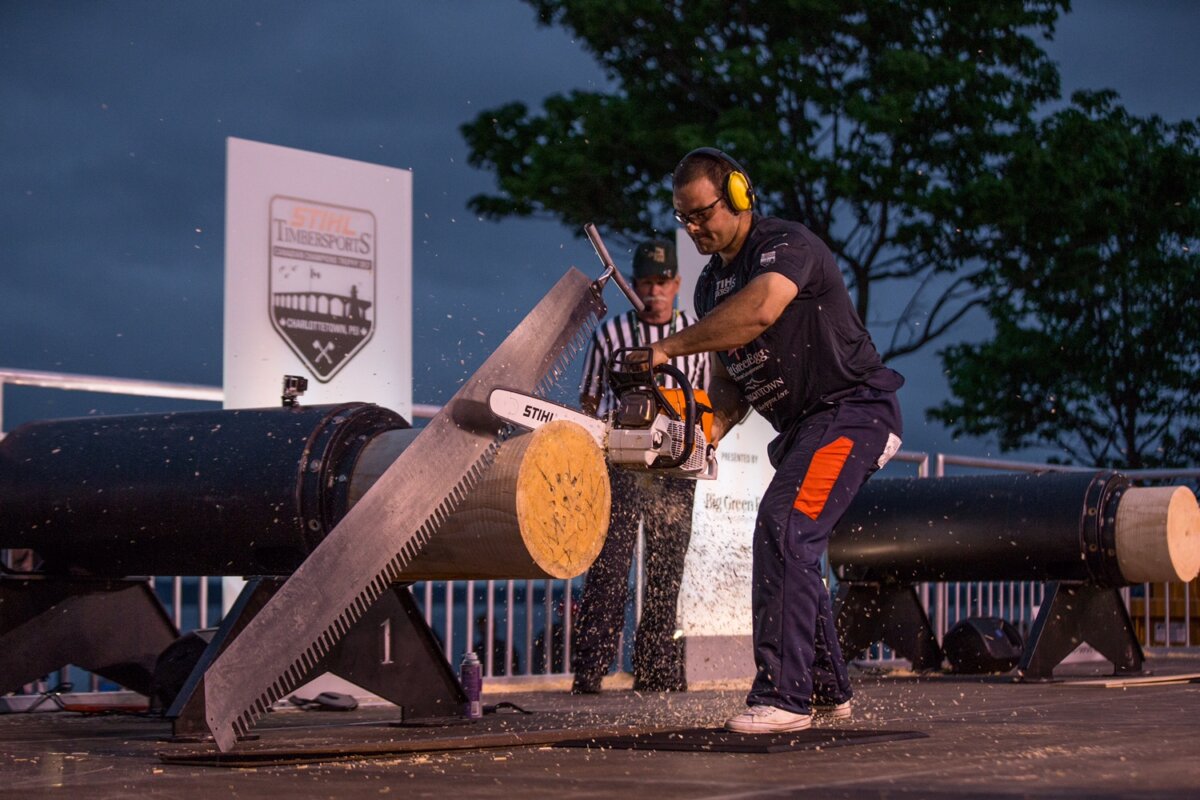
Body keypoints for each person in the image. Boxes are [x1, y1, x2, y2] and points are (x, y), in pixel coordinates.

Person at [646, 148, 904, 732]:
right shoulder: (710, 290)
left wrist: (665, 348)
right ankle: (824, 689)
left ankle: (783, 699)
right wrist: (695, 437)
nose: (692, 229)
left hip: (853, 411)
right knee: (796, 545)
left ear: (739, 195)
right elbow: (730, 389)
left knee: (784, 526)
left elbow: (761, 310)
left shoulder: (788, 245)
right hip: (802, 430)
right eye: (682, 218)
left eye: (702, 214)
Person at [571, 239, 712, 694]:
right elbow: (590, 398)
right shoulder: (610, 336)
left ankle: (656, 667)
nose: (654, 291)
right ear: (634, 285)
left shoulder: (697, 336)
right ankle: (590, 669)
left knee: (667, 567)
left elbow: (706, 402)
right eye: (646, 283)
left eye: (662, 282)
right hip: (621, 464)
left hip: (674, 468)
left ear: (676, 283)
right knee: (609, 564)